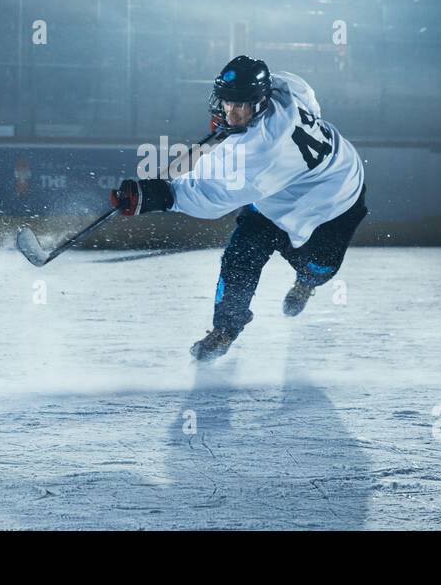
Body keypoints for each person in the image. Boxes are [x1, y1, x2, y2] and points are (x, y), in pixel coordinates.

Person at [110, 55, 366, 360]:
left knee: (318, 267)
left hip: (339, 197)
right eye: (227, 102)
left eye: (240, 105)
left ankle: (306, 283)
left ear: (259, 102)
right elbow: (308, 98)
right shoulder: (285, 87)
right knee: (241, 255)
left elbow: (209, 195)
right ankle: (224, 331)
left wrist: (157, 196)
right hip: (283, 194)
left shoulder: (258, 152)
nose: (230, 112)